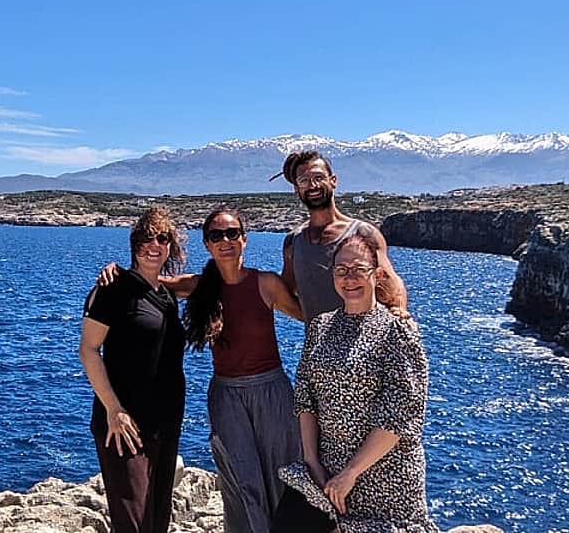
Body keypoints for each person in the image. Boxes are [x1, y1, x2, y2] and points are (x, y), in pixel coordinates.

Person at [289, 226, 439, 533]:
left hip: (383, 481)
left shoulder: (397, 331)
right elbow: (305, 396)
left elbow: (400, 416)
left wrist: (350, 473)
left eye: (359, 270)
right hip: (324, 475)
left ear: (377, 275)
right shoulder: (320, 327)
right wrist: (311, 460)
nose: (349, 279)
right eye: (341, 270)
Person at [183, 208, 304, 533]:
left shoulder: (265, 284)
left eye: (232, 233)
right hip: (227, 397)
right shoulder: (200, 287)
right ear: (207, 245)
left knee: (286, 473)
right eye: (216, 235)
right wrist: (114, 275)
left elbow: (309, 317)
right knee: (241, 479)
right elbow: (152, 283)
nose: (225, 241)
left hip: (273, 392)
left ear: (244, 239)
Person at [79, 206, 188, 533]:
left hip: (166, 423)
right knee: (134, 522)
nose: (153, 244)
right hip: (124, 424)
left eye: (162, 238)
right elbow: (88, 350)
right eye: (145, 237)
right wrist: (114, 409)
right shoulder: (113, 289)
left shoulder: (167, 294)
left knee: (156, 521)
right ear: (133, 243)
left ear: (171, 245)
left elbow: (208, 282)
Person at [275, 151, 409, 321]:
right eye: (304, 181)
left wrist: (399, 311)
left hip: (364, 345)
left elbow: (392, 282)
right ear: (297, 189)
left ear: (333, 181)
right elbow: (282, 293)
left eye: (319, 177)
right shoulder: (293, 242)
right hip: (317, 346)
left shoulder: (362, 233)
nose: (313, 185)